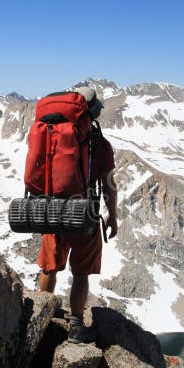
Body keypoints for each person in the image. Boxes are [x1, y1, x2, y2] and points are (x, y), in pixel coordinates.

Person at [36, 87, 118, 343]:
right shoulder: (100, 144)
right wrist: (113, 215)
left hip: (55, 209)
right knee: (80, 273)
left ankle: (42, 318)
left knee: (49, 267)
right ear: (92, 112)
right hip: (86, 214)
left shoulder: (52, 135)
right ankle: (75, 325)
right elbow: (109, 185)